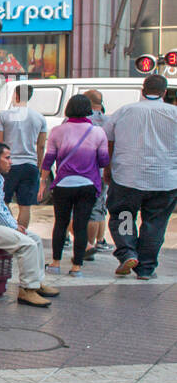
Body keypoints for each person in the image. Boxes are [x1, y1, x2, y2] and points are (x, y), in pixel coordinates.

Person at [0, 142, 60, 307]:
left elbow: (1, 207)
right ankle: (27, 290)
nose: (11, 162)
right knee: (27, 245)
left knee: (35, 239)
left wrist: (14, 225)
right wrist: (14, 227)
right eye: (7, 158)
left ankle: (36, 283)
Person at [101, 72, 177, 279]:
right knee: (155, 223)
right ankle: (145, 268)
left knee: (124, 215)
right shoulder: (174, 113)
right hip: (165, 180)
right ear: (164, 92)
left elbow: (108, 141)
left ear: (142, 90)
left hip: (128, 177)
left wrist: (108, 168)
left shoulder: (124, 112)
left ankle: (128, 251)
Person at [39, 95, 109, 277]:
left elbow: (48, 160)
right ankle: (76, 267)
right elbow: (103, 161)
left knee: (60, 223)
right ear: (89, 109)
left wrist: (42, 183)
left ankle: (55, 263)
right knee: (80, 225)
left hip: (63, 184)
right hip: (87, 185)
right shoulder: (98, 132)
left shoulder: (57, 131)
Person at [0, 84, 48, 229]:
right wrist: (39, 165)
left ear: (16, 95)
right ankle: (21, 234)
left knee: (2, 202)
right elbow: (41, 146)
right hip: (30, 165)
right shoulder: (40, 118)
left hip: (8, 165)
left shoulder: (3, 116)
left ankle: (11, 228)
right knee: (25, 206)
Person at [81, 89, 112, 258]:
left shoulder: (81, 121)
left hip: (84, 170)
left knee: (82, 210)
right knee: (99, 207)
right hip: (102, 169)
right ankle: (98, 241)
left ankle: (88, 247)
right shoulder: (108, 121)